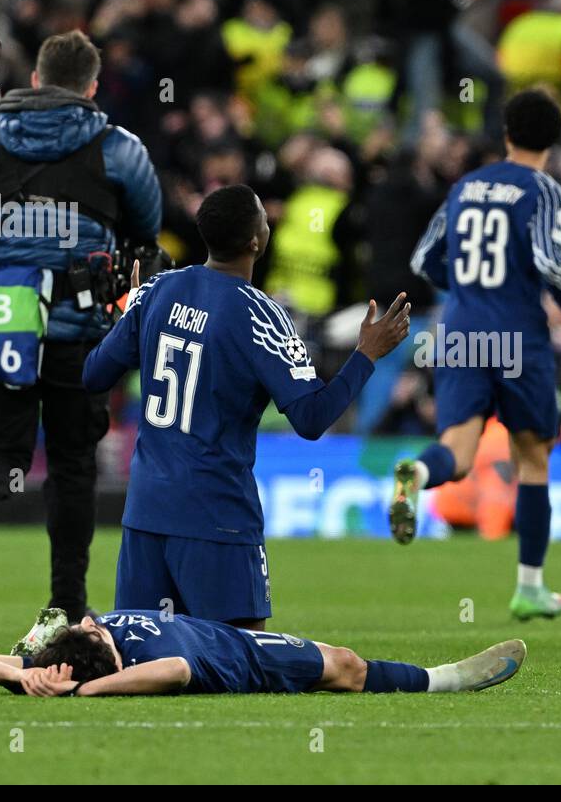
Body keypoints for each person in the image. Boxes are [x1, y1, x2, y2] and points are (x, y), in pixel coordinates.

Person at [0, 30, 163, 617]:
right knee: (74, 464)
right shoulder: (117, 147)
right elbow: (147, 228)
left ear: (33, 79)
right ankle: (66, 607)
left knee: (3, 449)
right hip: (80, 327)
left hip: (3, 316)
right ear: (92, 86)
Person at [82, 184, 409, 629]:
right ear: (255, 240)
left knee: (144, 658)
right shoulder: (259, 313)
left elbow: (93, 377)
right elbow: (311, 418)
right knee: (244, 658)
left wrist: (130, 318)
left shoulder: (157, 290)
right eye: (263, 217)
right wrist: (365, 356)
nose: (269, 221)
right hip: (215, 516)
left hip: (145, 511)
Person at [393, 89, 561, 620]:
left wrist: (464, 287)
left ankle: (415, 473)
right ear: (553, 141)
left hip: (459, 328)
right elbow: (552, 263)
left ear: (506, 134)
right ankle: (530, 585)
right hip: (516, 333)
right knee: (533, 457)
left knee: (457, 455)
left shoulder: (465, 186)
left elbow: (423, 259)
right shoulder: (545, 191)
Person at [0, 610, 526, 697]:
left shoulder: (80, 639)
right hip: (247, 656)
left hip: (223, 632)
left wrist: (22, 671)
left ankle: (443, 675)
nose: (87, 622)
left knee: (344, 658)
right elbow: (175, 671)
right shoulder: (151, 656)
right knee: (346, 668)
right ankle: (449, 679)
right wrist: (39, 680)